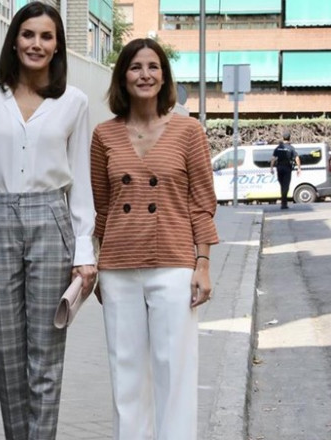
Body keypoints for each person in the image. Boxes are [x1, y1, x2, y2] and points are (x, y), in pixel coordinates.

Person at [0, 2, 97, 439]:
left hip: (50, 220)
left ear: (57, 46)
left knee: (46, 355)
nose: (36, 44)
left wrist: (84, 250)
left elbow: (81, 187)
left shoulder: (74, 102)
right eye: (28, 34)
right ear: (14, 40)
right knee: (9, 356)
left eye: (46, 36)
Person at [90, 38, 219, 440]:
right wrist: (97, 264)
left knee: (175, 373)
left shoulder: (188, 131)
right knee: (126, 376)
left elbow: (202, 203)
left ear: (164, 76)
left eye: (153, 67)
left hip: (174, 265)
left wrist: (203, 265)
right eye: (135, 67)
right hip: (119, 269)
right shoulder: (104, 135)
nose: (144, 75)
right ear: (122, 77)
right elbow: (102, 208)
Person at [270, 130, 301, 209]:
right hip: (287, 168)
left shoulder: (278, 147)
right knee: (286, 186)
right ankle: (284, 203)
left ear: (283, 138)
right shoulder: (291, 148)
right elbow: (297, 158)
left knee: (282, 185)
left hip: (279, 168)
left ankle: (284, 202)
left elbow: (273, 158)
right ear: (289, 138)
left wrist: (271, 168)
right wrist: (299, 168)